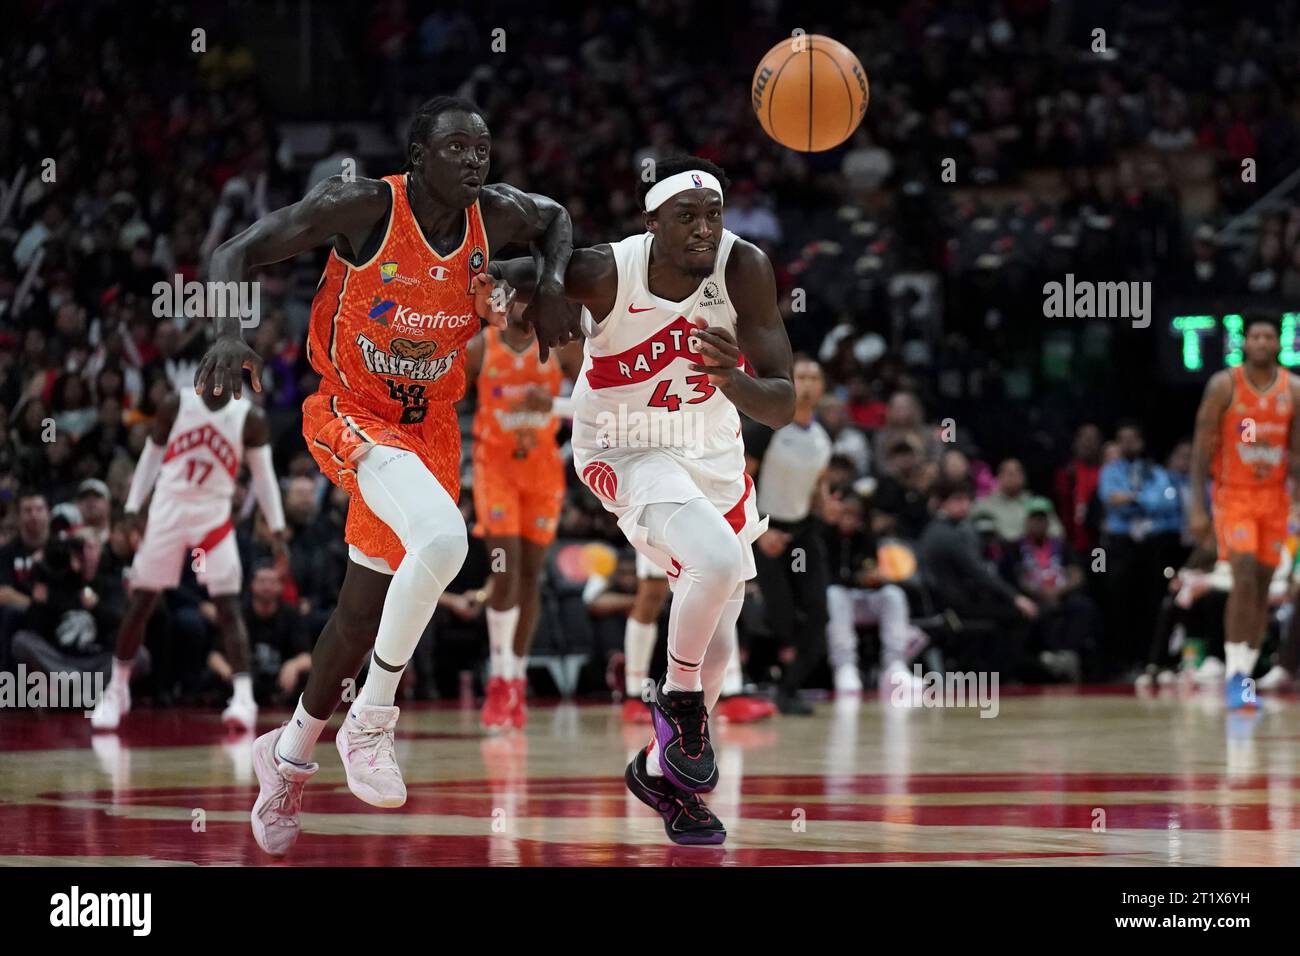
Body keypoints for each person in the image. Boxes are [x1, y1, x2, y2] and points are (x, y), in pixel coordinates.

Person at [193, 95, 576, 857]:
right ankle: (372, 720)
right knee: (445, 540)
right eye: (458, 148)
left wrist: (555, 281)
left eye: (484, 147)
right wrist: (228, 336)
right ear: (416, 156)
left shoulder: (495, 216)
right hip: (348, 411)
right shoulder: (363, 206)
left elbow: (558, 217)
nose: (476, 160)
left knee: (361, 612)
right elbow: (230, 254)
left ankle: (291, 753)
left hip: (431, 429)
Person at [491, 155, 795, 845]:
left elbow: (783, 402)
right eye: (685, 217)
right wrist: (521, 285)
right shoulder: (607, 270)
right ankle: (677, 700)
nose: (703, 230)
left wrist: (733, 379)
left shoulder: (743, 267)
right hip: (624, 448)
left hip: (712, 450)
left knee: (721, 629)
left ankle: (662, 773)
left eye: (713, 215)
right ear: (650, 222)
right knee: (712, 565)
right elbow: (519, 260)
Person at [88, 386, 287, 732]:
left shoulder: (249, 418)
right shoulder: (175, 403)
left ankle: (243, 697)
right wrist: (134, 505)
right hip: (169, 511)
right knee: (142, 602)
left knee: (227, 605)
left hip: (212, 518)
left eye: (225, 368)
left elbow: (264, 475)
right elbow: (151, 456)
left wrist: (279, 527)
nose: (215, 375)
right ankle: (117, 688)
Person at [464, 298, 582, 730]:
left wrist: (552, 405)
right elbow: (444, 398)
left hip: (543, 473)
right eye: (510, 294)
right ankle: (498, 680)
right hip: (495, 471)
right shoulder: (482, 347)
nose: (518, 303)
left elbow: (598, 399)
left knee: (532, 575)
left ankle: (516, 676)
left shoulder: (562, 347)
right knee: (506, 569)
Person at [1188, 315, 1300, 708]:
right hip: (1234, 495)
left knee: (1265, 585)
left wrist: (1298, 502)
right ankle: (1235, 671)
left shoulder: (1294, 389)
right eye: (1256, 335)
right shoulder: (1224, 385)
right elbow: (1201, 450)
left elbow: (1297, 454)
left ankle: (1246, 676)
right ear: (1245, 342)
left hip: (1275, 498)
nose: (1263, 342)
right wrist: (1196, 507)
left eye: (1270, 336)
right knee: (1245, 572)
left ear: (1278, 343)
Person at [746, 357, 834, 715]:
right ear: (788, 381)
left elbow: (817, 488)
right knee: (781, 617)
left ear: (823, 387)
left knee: (819, 612)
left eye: (815, 377)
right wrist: (757, 531)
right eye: (802, 376)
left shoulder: (822, 436)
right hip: (765, 528)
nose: (809, 384)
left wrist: (826, 506)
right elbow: (739, 481)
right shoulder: (766, 429)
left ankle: (789, 688)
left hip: (802, 531)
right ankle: (757, 667)